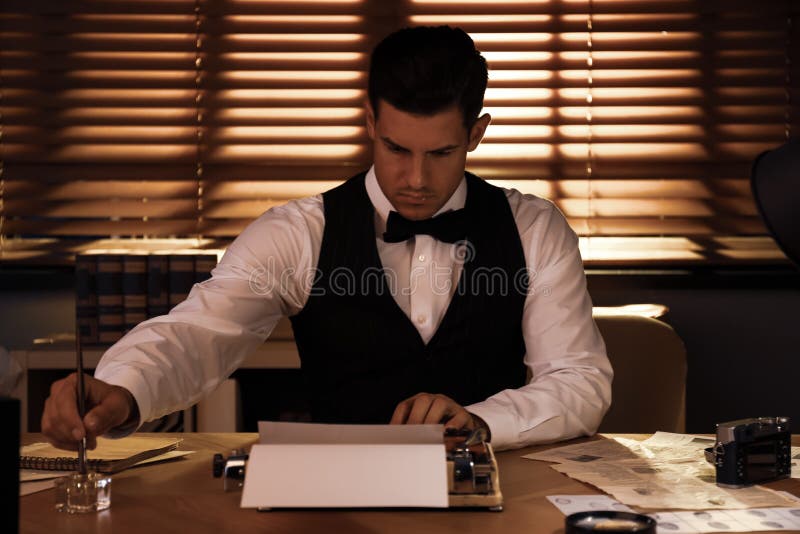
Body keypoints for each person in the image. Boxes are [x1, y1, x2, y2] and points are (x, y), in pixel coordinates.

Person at [42, 26, 612, 452]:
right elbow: (198, 331)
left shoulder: (535, 229)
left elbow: (580, 379)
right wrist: (123, 388)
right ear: (370, 123)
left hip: (499, 493)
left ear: (477, 133)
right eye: (396, 148)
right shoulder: (298, 233)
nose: (416, 179)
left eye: (441, 152)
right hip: (337, 502)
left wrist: (483, 419)